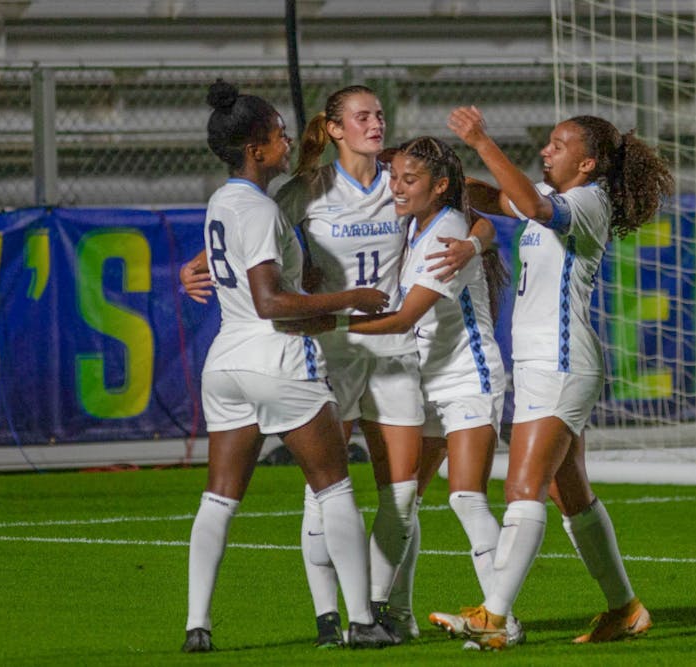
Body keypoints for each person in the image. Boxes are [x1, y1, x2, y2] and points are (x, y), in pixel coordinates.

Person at [180, 85, 493, 646]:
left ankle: (387, 608)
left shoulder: (405, 173)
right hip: (329, 348)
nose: (376, 122)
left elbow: (480, 207)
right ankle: (331, 618)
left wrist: (476, 242)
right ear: (335, 128)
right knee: (324, 492)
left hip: (393, 349)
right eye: (362, 115)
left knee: (401, 495)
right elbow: (253, 238)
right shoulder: (308, 189)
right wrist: (195, 264)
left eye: (379, 113)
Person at [428, 106, 674, 650]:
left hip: (561, 363)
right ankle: (625, 609)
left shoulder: (586, 202)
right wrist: (438, 173)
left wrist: (479, 140)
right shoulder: (559, 196)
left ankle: (494, 618)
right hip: (550, 363)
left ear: (586, 163)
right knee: (572, 495)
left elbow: (533, 206)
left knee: (523, 488)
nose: (546, 150)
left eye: (558, 145)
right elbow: (499, 198)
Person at [275, 135, 524, 646]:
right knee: (405, 504)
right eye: (394, 177)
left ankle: (501, 620)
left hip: (466, 379)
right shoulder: (418, 221)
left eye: (408, 180)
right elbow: (466, 205)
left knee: (466, 497)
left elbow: (404, 319)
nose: (395, 187)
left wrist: (328, 324)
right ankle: (398, 615)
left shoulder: (445, 230)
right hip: (424, 376)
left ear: (438, 187)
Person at [182, 79, 399, 653]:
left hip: (224, 362)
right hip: (274, 356)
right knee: (333, 490)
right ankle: (359, 620)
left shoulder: (223, 199)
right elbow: (271, 303)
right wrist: (348, 299)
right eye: (279, 135)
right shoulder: (257, 208)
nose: (287, 142)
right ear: (256, 149)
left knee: (219, 497)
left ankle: (197, 625)